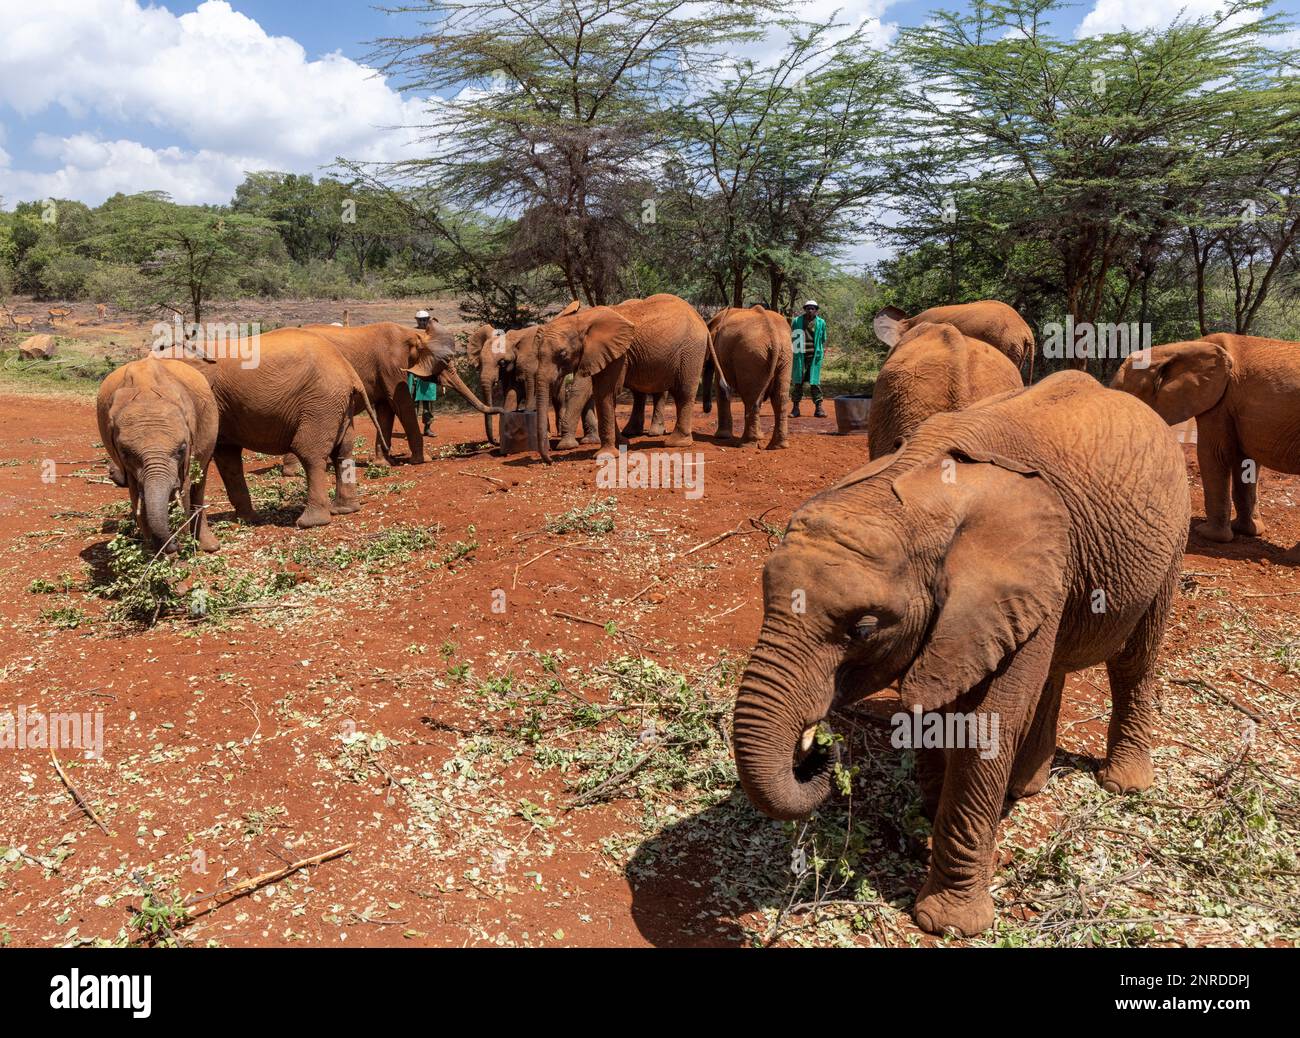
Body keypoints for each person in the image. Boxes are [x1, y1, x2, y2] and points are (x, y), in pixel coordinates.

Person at [790, 300, 826, 417]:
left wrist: (820, 352)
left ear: (816, 310)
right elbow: (794, 339)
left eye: (813, 308)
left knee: (814, 382)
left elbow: (823, 339)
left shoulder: (821, 323)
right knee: (798, 381)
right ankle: (795, 409)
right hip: (800, 356)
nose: (810, 310)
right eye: (808, 308)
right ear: (805, 309)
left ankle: (819, 408)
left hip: (814, 356)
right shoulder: (797, 321)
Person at [407, 309, 438, 436]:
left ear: (428, 319)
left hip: (428, 372)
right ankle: (413, 430)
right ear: (416, 320)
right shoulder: (411, 334)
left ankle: (427, 428)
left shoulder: (433, 334)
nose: (423, 322)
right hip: (414, 372)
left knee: (428, 402)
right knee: (412, 402)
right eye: (420, 320)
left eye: (425, 319)